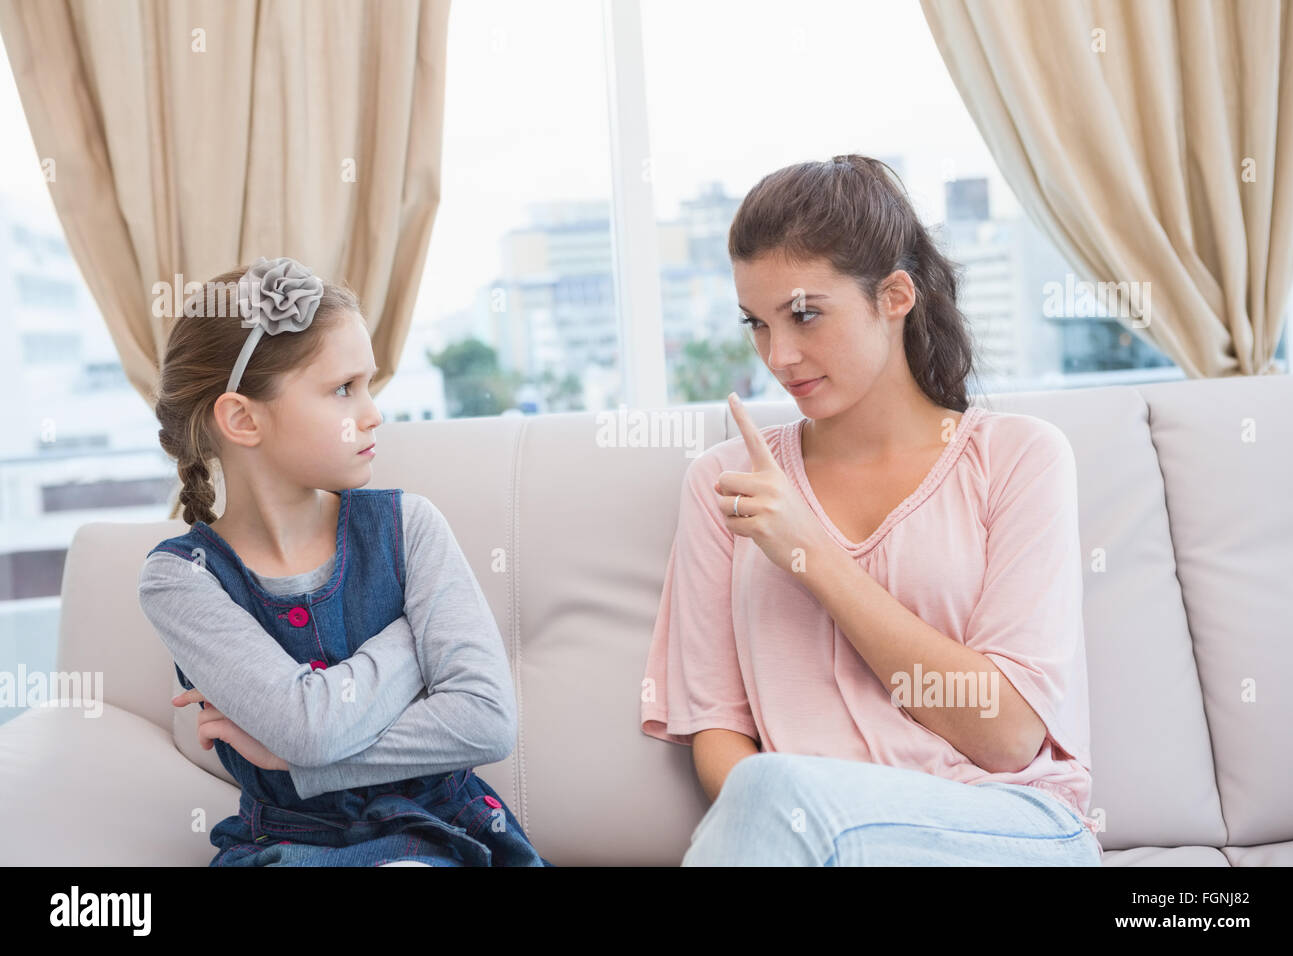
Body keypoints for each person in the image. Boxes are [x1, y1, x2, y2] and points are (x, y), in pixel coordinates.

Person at [640, 155, 1102, 866]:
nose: (780, 355)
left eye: (804, 315)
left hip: (1007, 826)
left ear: (894, 296)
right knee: (765, 790)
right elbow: (720, 735)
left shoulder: (1019, 458)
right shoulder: (723, 483)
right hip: (809, 837)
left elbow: (1007, 736)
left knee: (771, 794)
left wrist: (810, 554)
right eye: (757, 324)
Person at [138, 256, 550, 866]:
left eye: (368, 384)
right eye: (342, 390)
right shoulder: (181, 579)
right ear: (243, 418)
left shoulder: (409, 527)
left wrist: (294, 762)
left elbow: (486, 721)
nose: (373, 412)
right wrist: (412, 639)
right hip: (289, 848)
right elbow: (312, 729)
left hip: (439, 833)